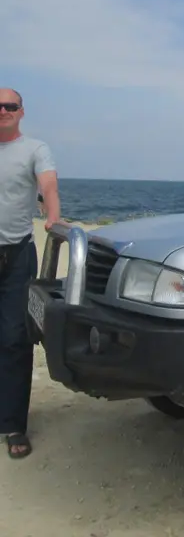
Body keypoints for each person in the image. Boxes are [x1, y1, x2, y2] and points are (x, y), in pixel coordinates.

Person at [0, 88, 60, 458]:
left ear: (21, 111)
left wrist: (53, 216)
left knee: (14, 338)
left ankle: (13, 425)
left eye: (10, 105)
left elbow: (47, 184)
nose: (3, 110)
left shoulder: (35, 149)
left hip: (17, 255)